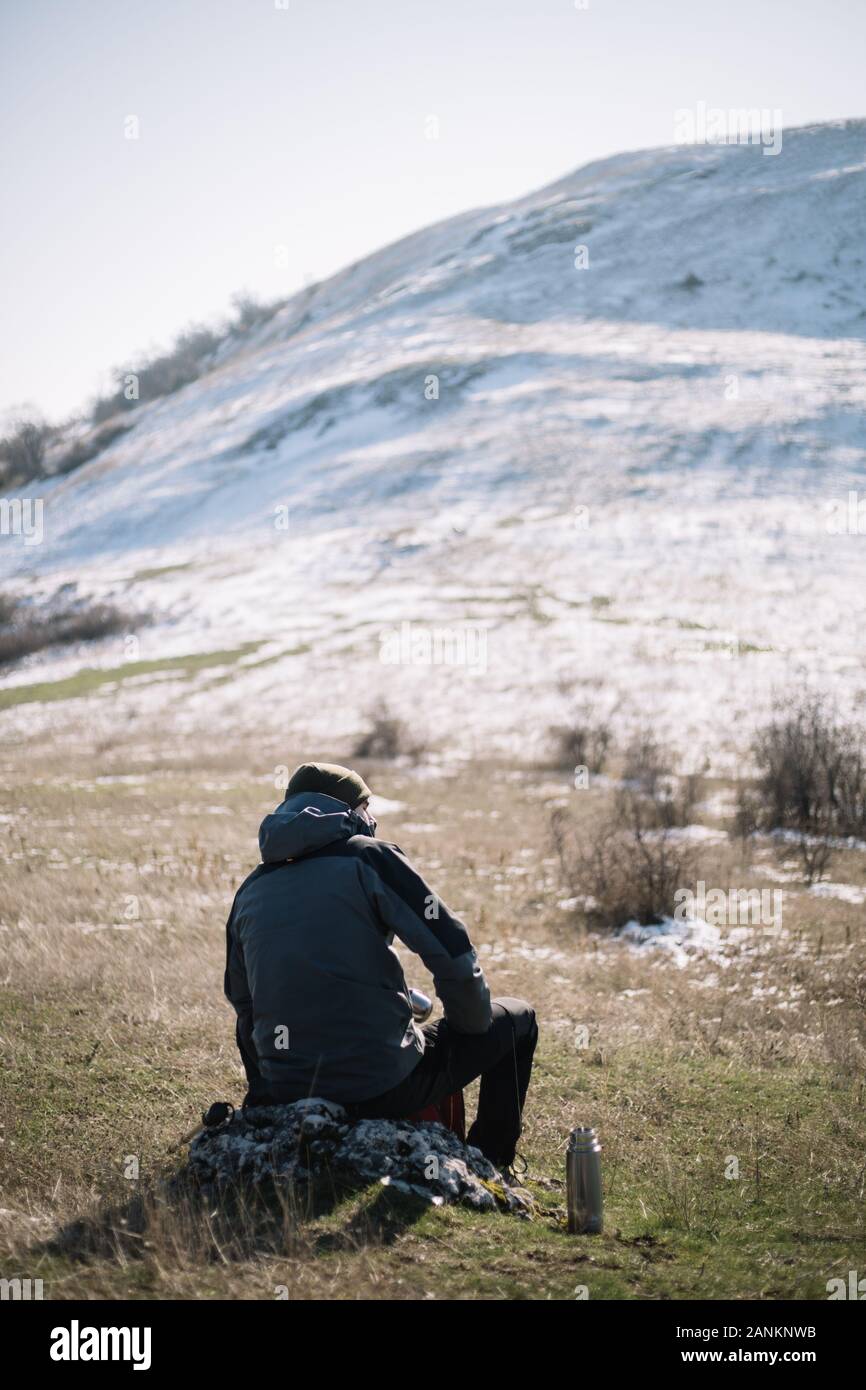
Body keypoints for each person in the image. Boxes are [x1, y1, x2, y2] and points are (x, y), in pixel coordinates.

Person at [224, 761, 538, 1170]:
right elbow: (453, 954)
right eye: (367, 806)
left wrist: (268, 1090)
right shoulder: (369, 858)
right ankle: (489, 1162)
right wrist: (468, 1030)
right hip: (380, 1087)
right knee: (519, 1018)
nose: (374, 818)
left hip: (287, 1092)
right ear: (351, 812)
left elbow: (244, 1003)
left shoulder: (252, 888)